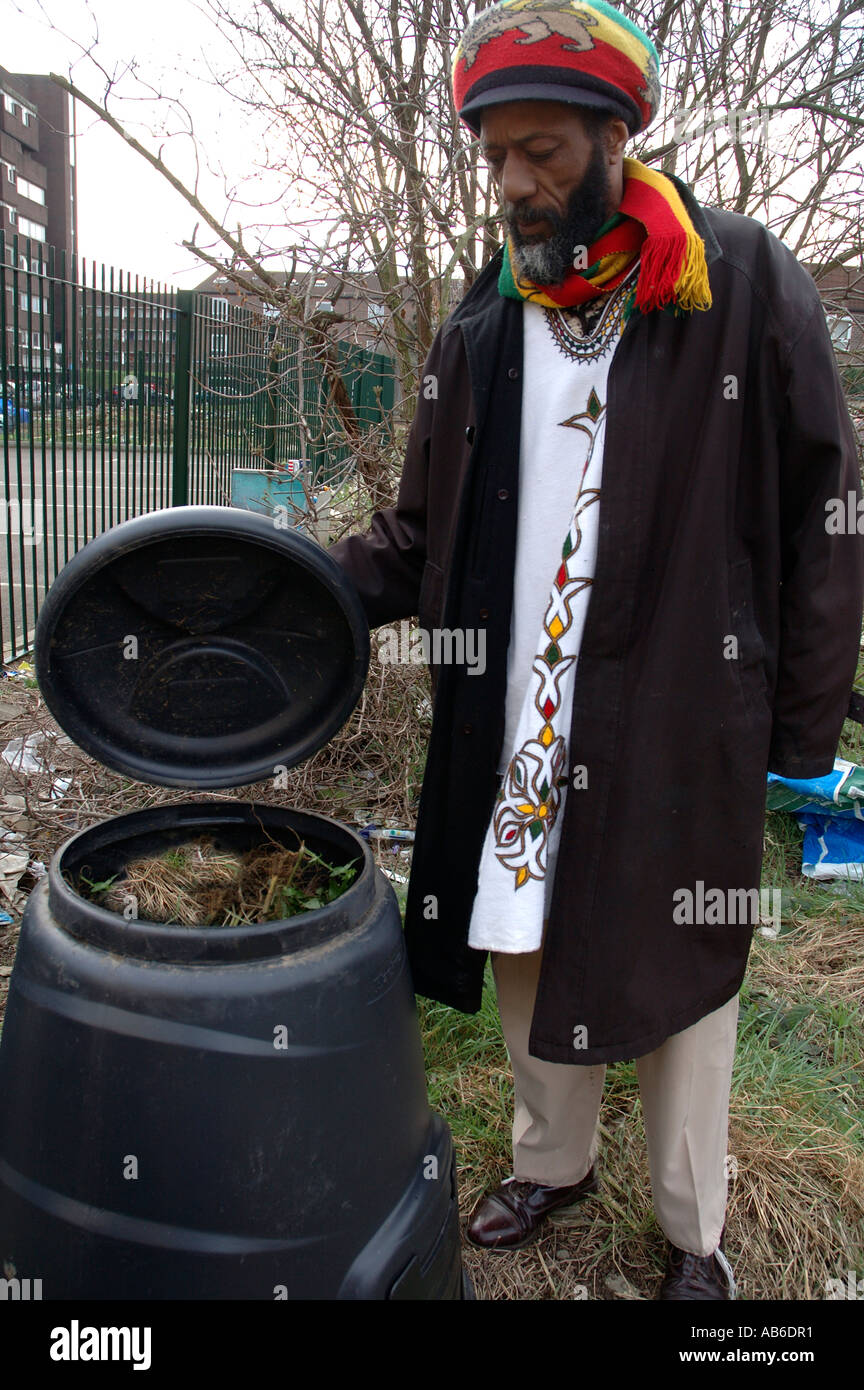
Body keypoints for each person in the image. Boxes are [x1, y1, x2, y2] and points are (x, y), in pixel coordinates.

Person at [329, 0, 864, 1300]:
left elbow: (825, 512)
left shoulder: (735, 284)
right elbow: (417, 529)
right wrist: (288, 582)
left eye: (545, 150)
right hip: (519, 705)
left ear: (621, 133)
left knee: (683, 965)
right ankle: (550, 1158)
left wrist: (800, 730)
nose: (513, 182)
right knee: (521, 930)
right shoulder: (483, 318)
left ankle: (695, 1231)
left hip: (680, 712)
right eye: (495, 154)